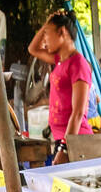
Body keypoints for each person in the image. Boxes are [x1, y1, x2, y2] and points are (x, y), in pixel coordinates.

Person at [27, 9, 92, 164]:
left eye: (47, 34)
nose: (44, 40)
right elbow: (33, 49)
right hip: (61, 138)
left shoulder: (78, 64)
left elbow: (78, 112)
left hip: (76, 142)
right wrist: (47, 24)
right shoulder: (59, 61)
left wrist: (64, 148)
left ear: (62, 32)